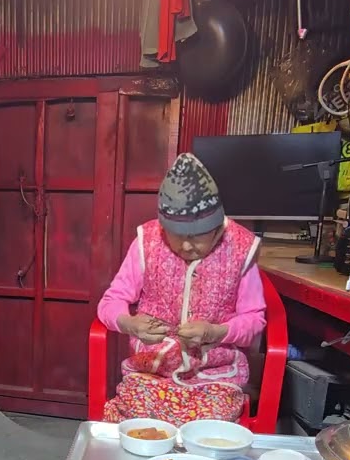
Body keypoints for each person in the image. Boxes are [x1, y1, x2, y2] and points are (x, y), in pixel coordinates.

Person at [97, 153, 268, 426]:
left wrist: (216, 332)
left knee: (208, 430)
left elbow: (254, 320)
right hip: (151, 373)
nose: (186, 247)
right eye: (177, 236)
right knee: (133, 424)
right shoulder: (148, 242)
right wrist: (130, 324)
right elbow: (111, 301)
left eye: (197, 238)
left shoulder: (239, 248)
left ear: (216, 229)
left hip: (216, 376)